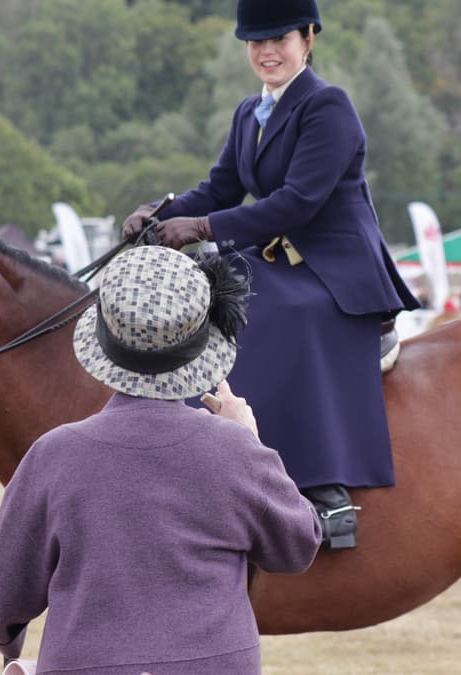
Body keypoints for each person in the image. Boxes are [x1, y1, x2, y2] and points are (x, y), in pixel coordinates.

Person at [121, 0, 419, 549]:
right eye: (255, 42)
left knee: (267, 314)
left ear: (308, 38)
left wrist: (201, 227)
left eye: (277, 39)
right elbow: (219, 189)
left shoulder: (328, 107)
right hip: (280, 256)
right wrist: (158, 214)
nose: (265, 52)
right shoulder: (248, 113)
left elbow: (297, 203)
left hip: (335, 270)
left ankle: (325, 494)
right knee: (206, 296)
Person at [0, 246, 321, 674]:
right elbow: (299, 544)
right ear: (198, 346)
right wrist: (249, 439)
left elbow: (2, 599)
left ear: (105, 345)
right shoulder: (233, 449)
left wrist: (8, 641)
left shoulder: (53, 454)